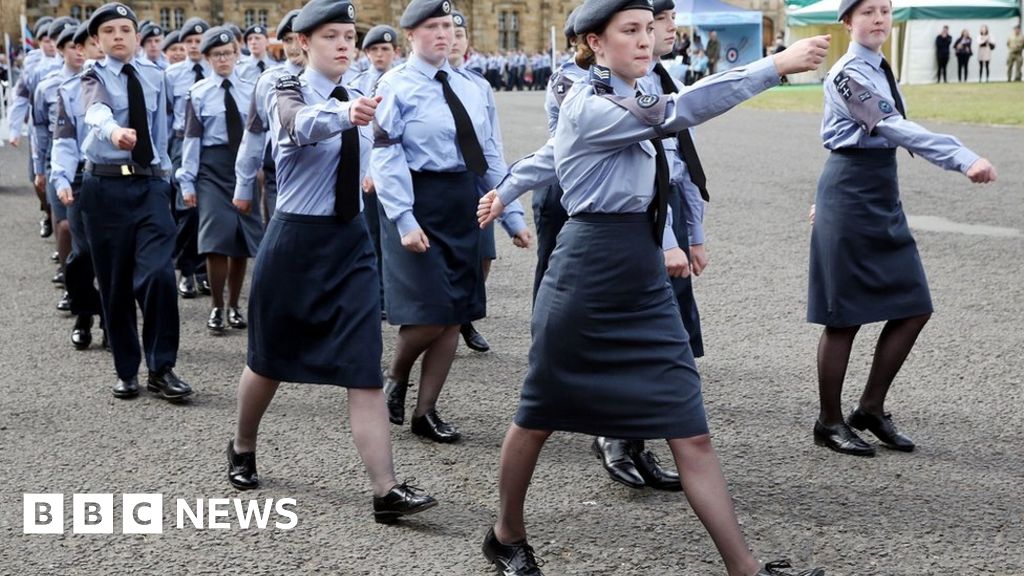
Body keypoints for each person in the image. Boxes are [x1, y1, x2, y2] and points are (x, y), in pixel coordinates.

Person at [475, 0, 831, 572]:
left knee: (691, 431)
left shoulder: (633, 94)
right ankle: (505, 533)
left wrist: (508, 187)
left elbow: (551, 156)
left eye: (649, 30)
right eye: (630, 31)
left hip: (641, 276)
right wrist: (774, 66)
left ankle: (746, 569)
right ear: (594, 42)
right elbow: (681, 110)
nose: (646, 41)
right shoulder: (589, 104)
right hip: (586, 276)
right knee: (539, 413)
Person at [227, 0, 438, 525]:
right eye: (330, 37)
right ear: (303, 44)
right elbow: (296, 126)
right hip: (296, 242)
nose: (344, 45)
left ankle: (385, 491)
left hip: (350, 241)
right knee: (268, 361)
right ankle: (242, 445)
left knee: (363, 368)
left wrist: (404, 212)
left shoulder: (363, 94)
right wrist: (348, 113)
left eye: (350, 36)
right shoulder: (285, 88)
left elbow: (388, 150)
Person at [809, 0, 997, 458]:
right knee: (844, 316)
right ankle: (829, 421)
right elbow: (892, 127)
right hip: (851, 194)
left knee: (914, 305)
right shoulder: (849, 74)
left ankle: (870, 409)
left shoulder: (878, 67)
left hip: (878, 192)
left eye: (885, 10)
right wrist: (962, 156)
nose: (878, 19)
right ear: (847, 21)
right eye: (867, 11)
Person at [373, 0, 530, 444]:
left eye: (447, 26)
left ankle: (426, 411)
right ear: (410, 35)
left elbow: (490, 155)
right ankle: (395, 375)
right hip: (417, 199)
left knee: (455, 311)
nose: (442, 34)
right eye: (431, 27)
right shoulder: (395, 85)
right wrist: (403, 218)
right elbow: (385, 155)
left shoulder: (474, 87)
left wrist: (512, 212)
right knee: (429, 313)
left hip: (464, 200)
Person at [78, 2, 192, 402]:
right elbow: (95, 112)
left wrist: (164, 176)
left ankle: (162, 368)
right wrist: (114, 133)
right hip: (104, 188)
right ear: (97, 40)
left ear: (137, 35)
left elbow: (159, 132)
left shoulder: (155, 75)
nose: (118, 36)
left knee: (159, 275)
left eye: (125, 29)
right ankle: (127, 370)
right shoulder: (93, 75)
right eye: (109, 31)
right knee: (114, 284)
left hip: (148, 187)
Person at [176, 27, 262, 335]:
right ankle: (216, 305)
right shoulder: (198, 93)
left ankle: (235, 306)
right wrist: (187, 181)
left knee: (240, 241)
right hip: (211, 169)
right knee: (215, 239)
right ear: (208, 58)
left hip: (243, 167)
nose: (223, 59)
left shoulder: (252, 90)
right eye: (216, 55)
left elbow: (259, 134)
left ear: (237, 55)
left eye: (227, 53)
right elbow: (190, 140)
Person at [51, 21, 106, 351]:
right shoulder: (70, 90)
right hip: (83, 179)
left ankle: (113, 321)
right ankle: (85, 313)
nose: (101, 46)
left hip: (123, 179)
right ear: (81, 50)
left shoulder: (130, 83)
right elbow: (64, 140)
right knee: (83, 253)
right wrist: (61, 177)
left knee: (116, 257)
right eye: (92, 42)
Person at [233, 9, 304, 227]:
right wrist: (244, 186)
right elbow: (253, 134)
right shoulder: (270, 80)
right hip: (280, 171)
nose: (293, 47)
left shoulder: (337, 76)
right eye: (287, 40)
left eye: (298, 39)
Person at [351, 23, 399, 318]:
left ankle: (396, 295)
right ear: (366, 53)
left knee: (397, 236)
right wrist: (365, 171)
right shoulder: (356, 82)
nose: (380, 54)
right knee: (371, 237)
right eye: (375, 50)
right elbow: (359, 132)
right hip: (368, 174)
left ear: (395, 52)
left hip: (396, 170)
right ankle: (378, 295)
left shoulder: (403, 80)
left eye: (386, 49)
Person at [32, 17, 80, 301]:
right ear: (61, 50)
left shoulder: (99, 82)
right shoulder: (47, 86)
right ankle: (71, 286)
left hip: (90, 163)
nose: (79, 52)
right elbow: (38, 128)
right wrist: (39, 168)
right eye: (73, 47)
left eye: (83, 46)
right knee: (64, 226)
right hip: (56, 159)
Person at [165, 17, 212, 299]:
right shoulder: (172, 75)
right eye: (190, 42)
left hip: (211, 145)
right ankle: (187, 269)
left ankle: (205, 269)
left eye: (199, 41)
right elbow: (166, 115)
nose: (194, 46)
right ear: (182, 45)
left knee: (210, 210)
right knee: (187, 208)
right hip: (181, 143)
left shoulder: (217, 70)